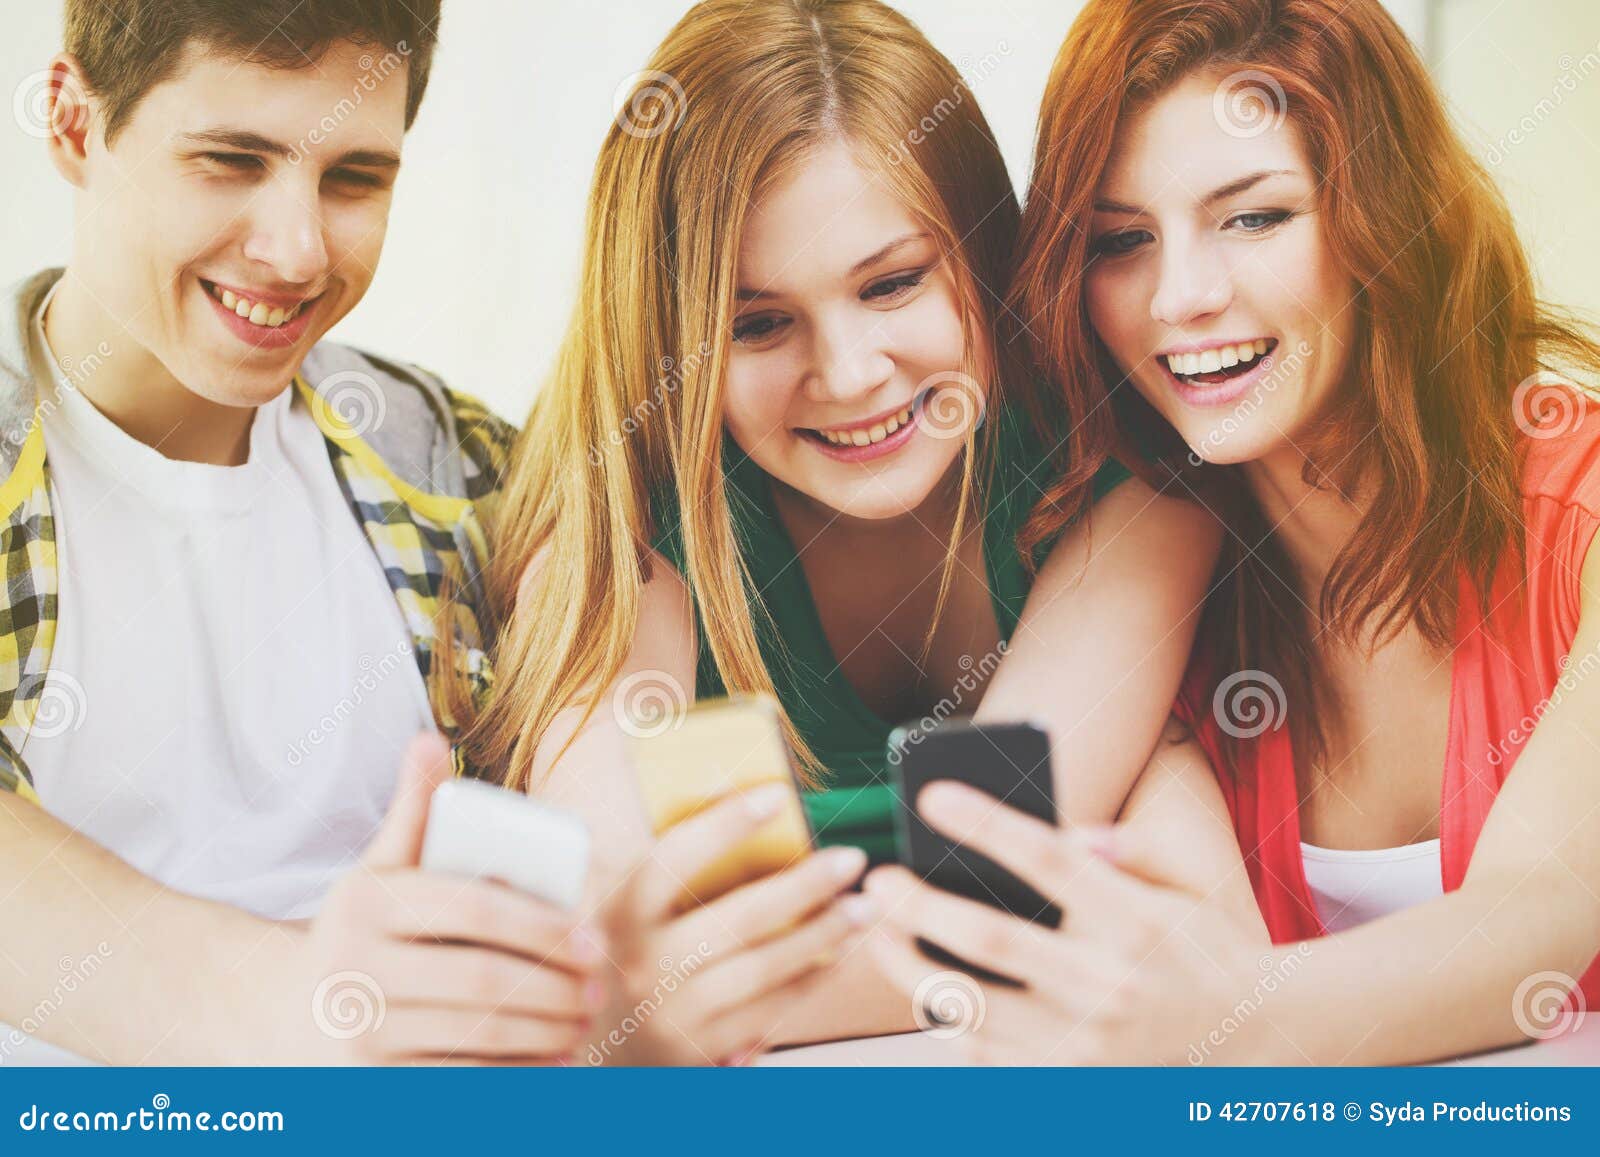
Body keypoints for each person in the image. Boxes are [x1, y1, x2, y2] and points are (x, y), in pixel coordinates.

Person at [463, 0, 1232, 1058]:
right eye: (758, 322)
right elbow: (618, 960)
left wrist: (739, 974)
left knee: (1168, 771)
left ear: (982, 251)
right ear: (672, 341)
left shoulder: (1120, 476)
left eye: (894, 282)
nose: (850, 372)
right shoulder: (627, 530)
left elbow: (1099, 915)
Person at [863, 0, 1600, 1065]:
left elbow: (1544, 902)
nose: (1180, 297)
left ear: (1381, 218)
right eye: (1120, 241)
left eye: (1254, 217)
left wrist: (1224, 1022)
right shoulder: (1152, 547)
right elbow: (959, 887)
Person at [0, 0, 602, 1065]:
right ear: (71, 124)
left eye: (354, 178)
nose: (296, 249)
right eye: (230, 160)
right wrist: (304, 1001)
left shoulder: (461, 465)